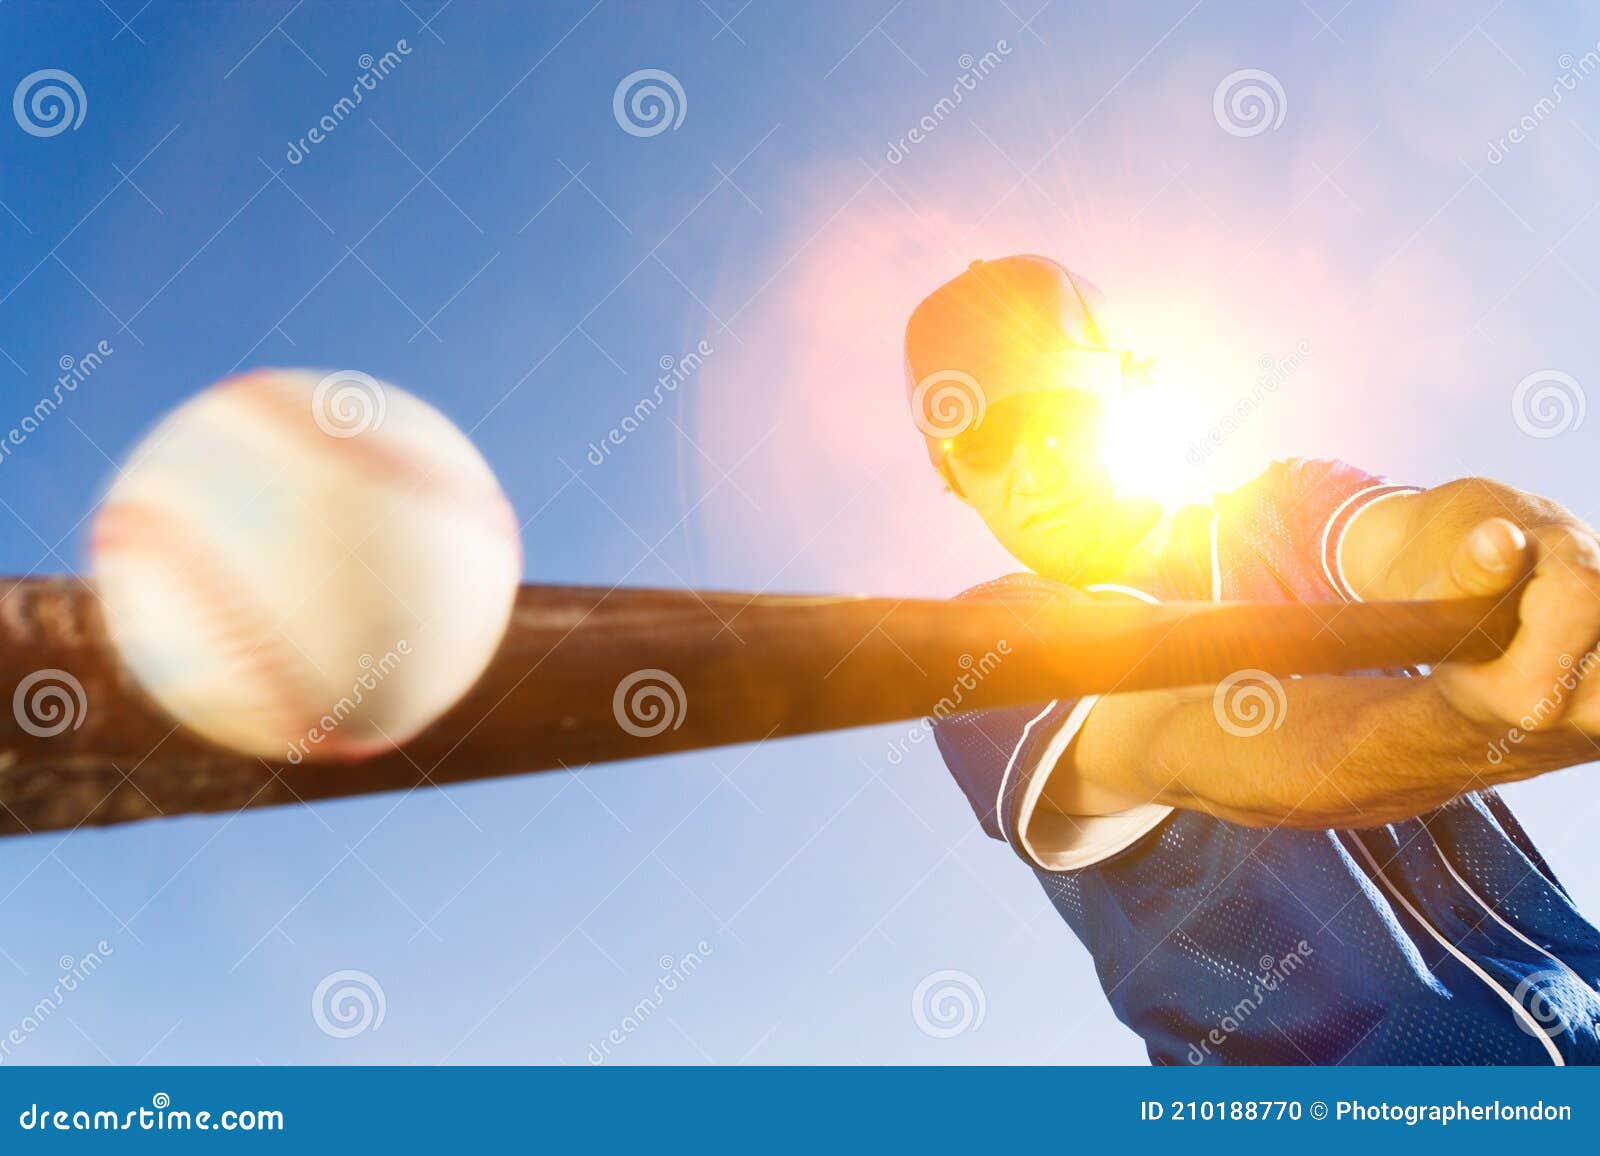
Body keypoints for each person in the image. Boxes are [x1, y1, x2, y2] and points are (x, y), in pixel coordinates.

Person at [907, 254, 1600, 1064]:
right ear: (949, 471)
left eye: (1057, 410)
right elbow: (1199, 743)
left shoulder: (1282, 513)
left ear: (1129, 392)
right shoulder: (978, 652)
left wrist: (1530, 555)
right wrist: (1481, 724)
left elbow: (1423, 534)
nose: (1033, 469)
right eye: (983, 442)